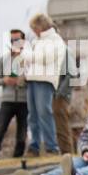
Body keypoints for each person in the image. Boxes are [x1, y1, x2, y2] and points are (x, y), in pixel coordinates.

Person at [23, 12, 66, 156]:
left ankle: (52, 146)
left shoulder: (56, 40)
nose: (33, 31)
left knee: (44, 112)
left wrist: (28, 56)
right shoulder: (36, 41)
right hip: (32, 79)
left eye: (34, 27)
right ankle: (34, 146)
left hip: (45, 81)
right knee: (32, 115)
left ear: (41, 26)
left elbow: (46, 58)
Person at [0, 29, 29, 159]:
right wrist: (4, 80)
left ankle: (18, 158)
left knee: (22, 134)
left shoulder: (29, 60)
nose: (14, 43)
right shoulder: (3, 60)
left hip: (24, 101)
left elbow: (35, 80)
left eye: (17, 40)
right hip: (7, 101)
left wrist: (22, 81)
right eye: (12, 40)